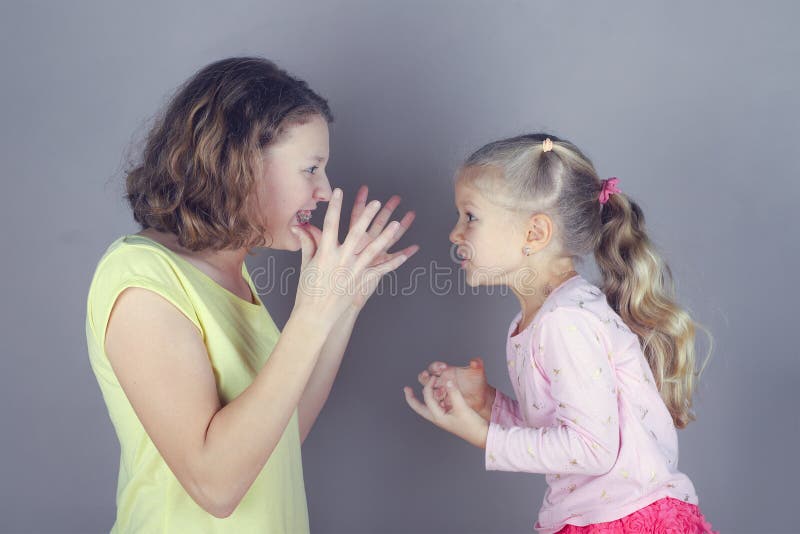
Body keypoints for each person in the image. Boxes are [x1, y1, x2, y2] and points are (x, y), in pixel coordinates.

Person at [85, 56, 418, 532]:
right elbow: (215, 487)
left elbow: (280, 437)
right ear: (236, 164)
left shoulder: (236, 280)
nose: (324, 190)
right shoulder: (142, 278)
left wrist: (342, 308)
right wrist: (312, 313)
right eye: (311, 168)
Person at [404, 134, 717, 533]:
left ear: (534, 234)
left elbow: (590, 450)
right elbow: (565, 434)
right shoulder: (543, 318)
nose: (454, 233)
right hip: (603, 517)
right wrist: (490, 405)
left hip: (626, 522)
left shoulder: (564, 321)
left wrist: (486, 437)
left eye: (470, 216)